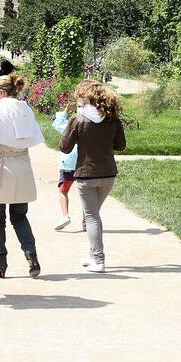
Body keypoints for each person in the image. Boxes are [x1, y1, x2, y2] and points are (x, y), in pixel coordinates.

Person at [58, 80, 126, 273]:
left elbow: (65, 147)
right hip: (108, 174)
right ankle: (92, 254)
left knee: (92, 217)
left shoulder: (78, 119)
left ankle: (98, 259)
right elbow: (120, 145)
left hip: (86, 174)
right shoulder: (112, 118)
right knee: (94, 215)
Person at [0, 73, 44, 279]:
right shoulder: (24, 107)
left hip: (1, 165)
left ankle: (0, 264)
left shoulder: (0, 108)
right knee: (20, 216)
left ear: (1, 92)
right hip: (22, 164)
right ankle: (31, 255)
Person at [52, 109, 79, 231]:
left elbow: (57, 123)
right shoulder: (89, 127)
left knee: (63, 190)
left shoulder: (68, 127)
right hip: (84, 163)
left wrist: (65, 111)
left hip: (68, 162)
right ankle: (86, 220)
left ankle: (65, 216)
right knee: (86, 193)